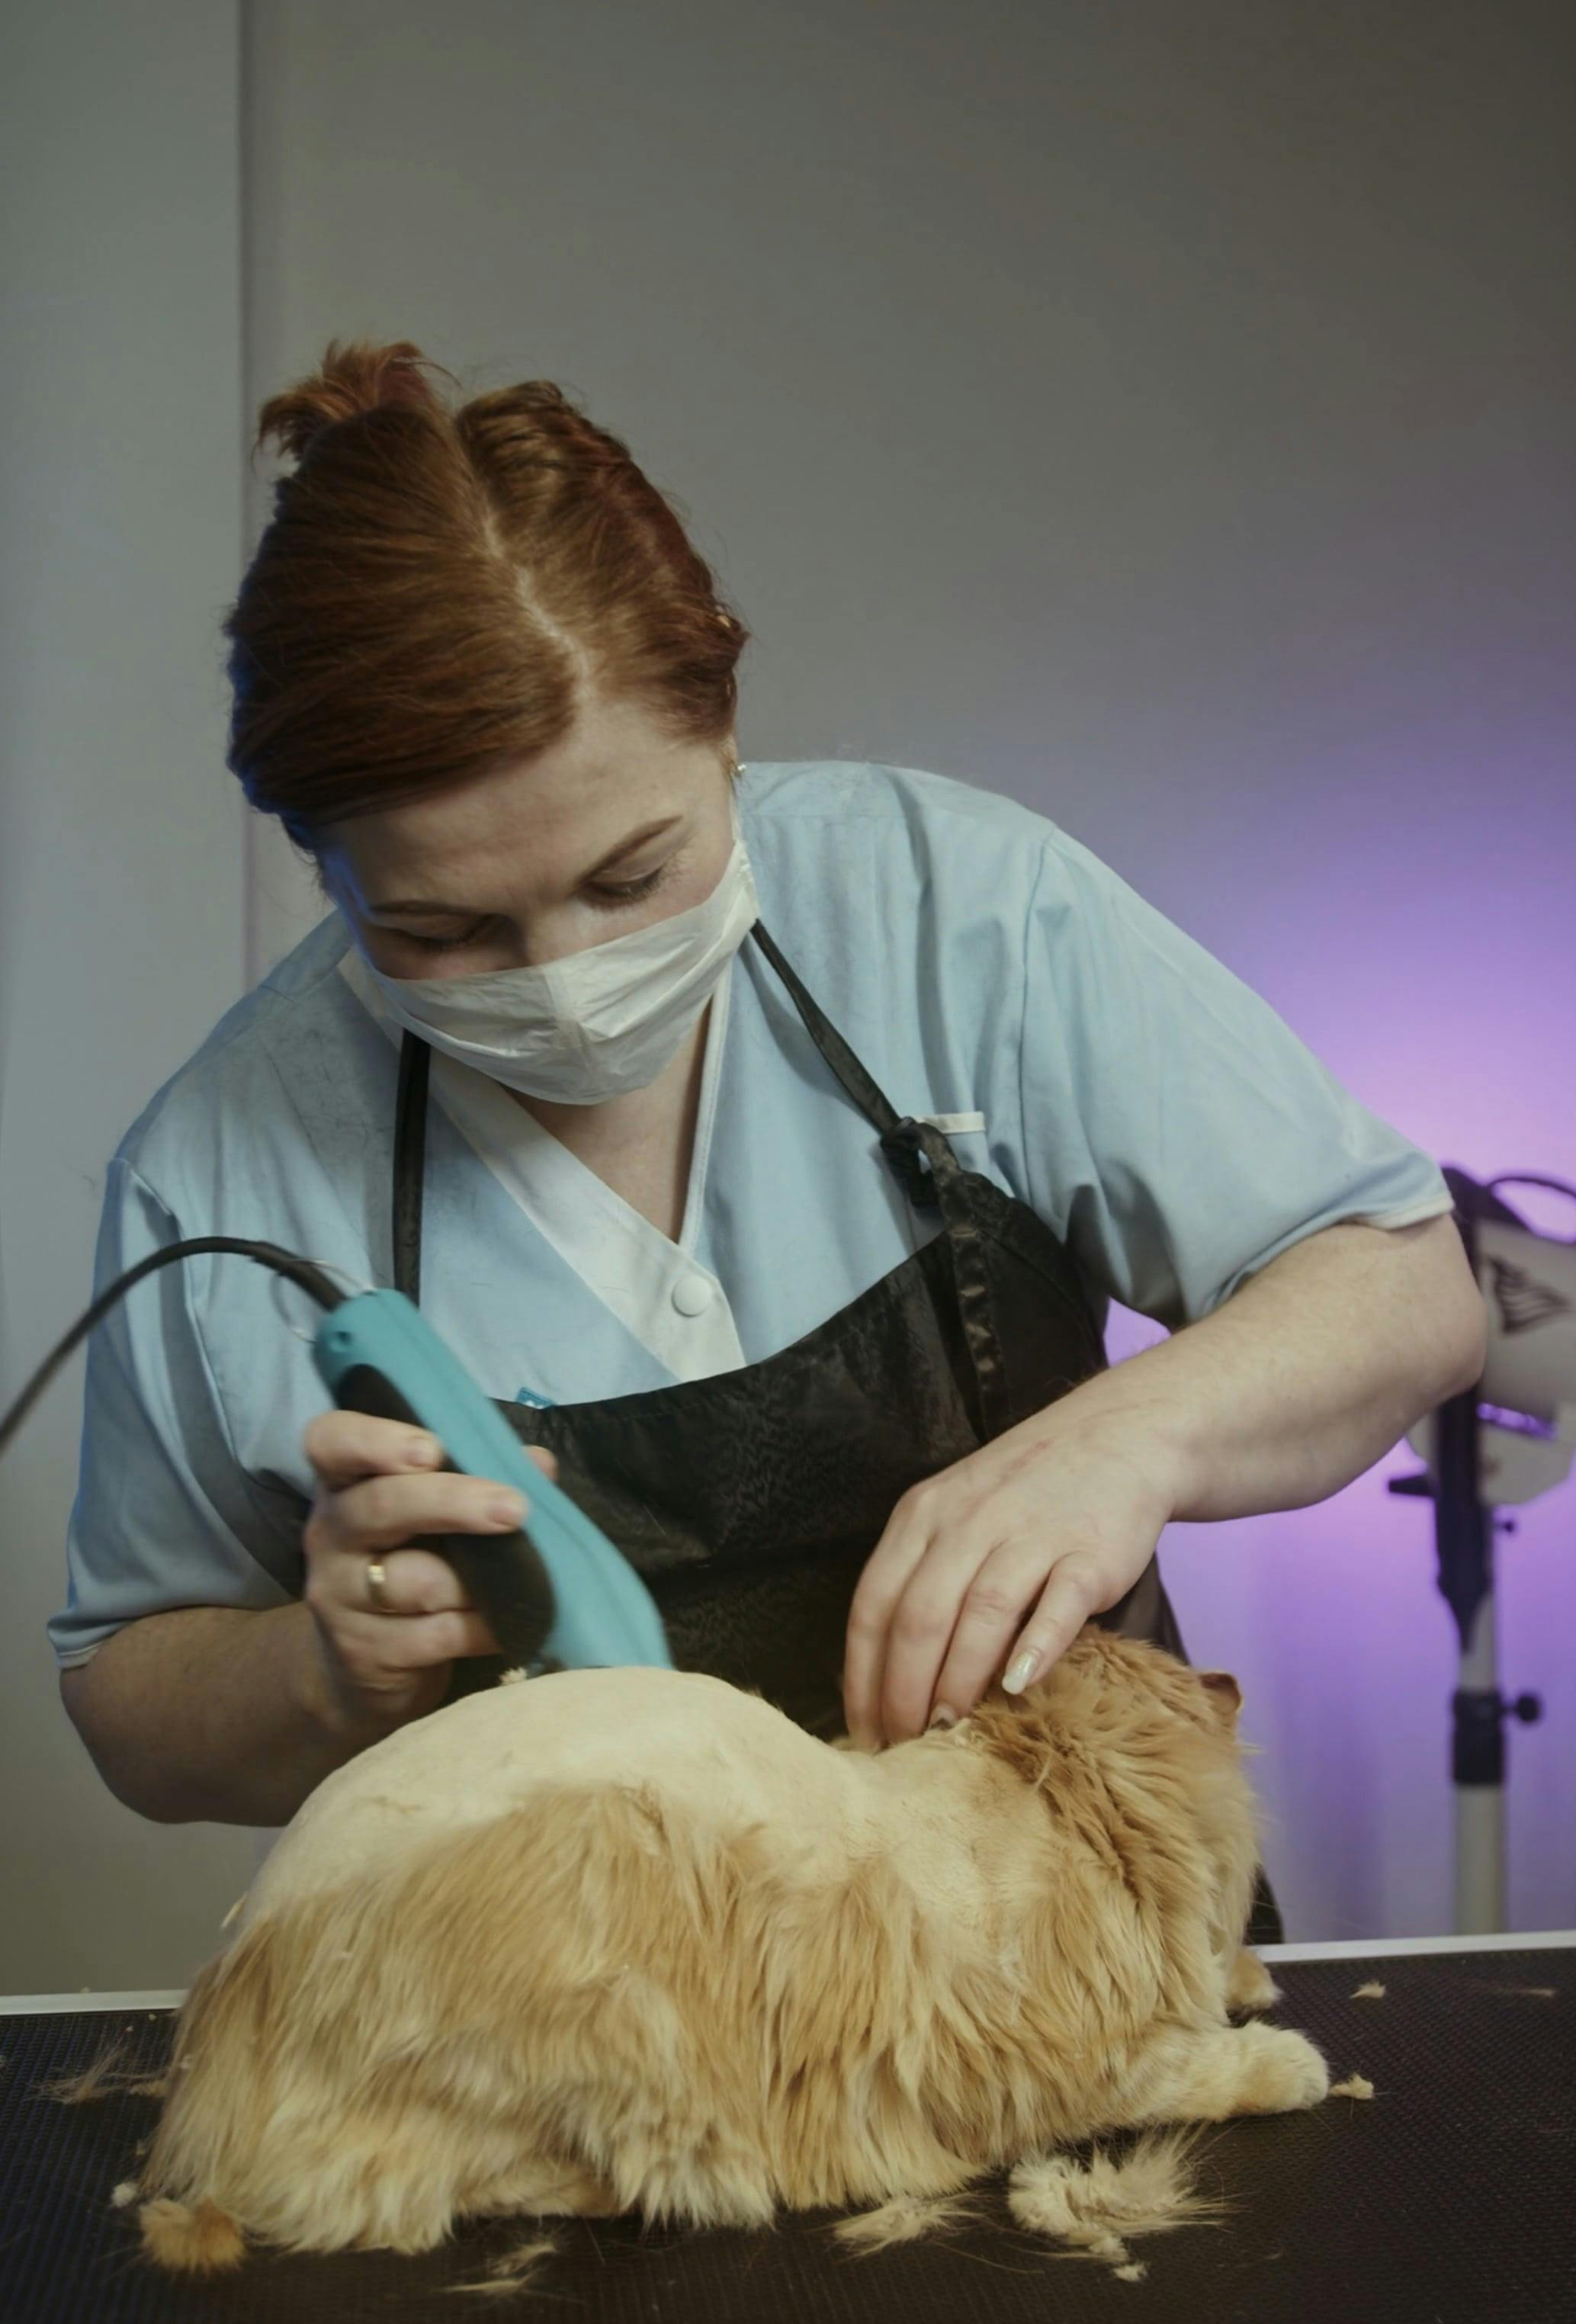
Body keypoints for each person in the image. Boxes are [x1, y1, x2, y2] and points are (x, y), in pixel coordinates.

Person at [54, 339, 1484, 1873]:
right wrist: (316, 1668)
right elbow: (128, 1695)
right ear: (318, 864)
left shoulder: (959, 911)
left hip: (1065, 1940)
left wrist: (1127, 1442)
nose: (567, 979)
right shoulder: (212, 1167)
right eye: (441, 932)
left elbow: (1408, 1289)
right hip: (597, 2025)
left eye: (634, 878)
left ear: (724, 727)